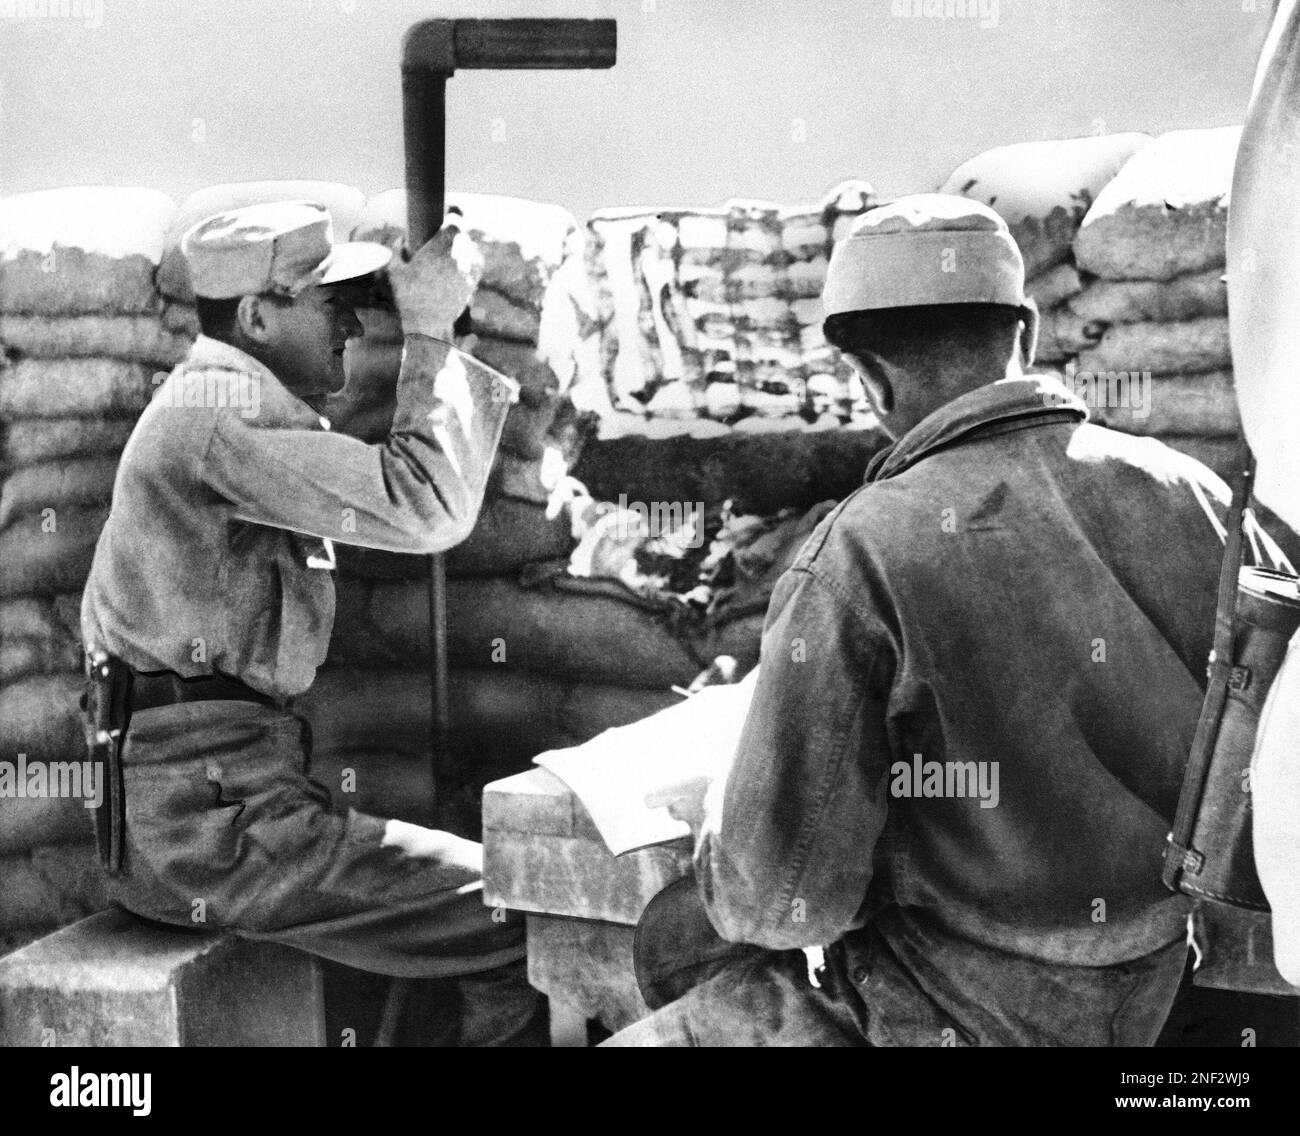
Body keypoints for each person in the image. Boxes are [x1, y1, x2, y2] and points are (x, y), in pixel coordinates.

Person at [606, 194, 1285, 1046]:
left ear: (870, 377)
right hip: (1157, 981)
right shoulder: (1199, 495)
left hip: (941, 1006)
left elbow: (778, 903)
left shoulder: (860, 552)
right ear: (1026, 336)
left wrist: (721, 818)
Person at [80, 200, 541, 1046]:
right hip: (210, 829)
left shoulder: (238, 406)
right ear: (255, 316)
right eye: (326, 299)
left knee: (457, 932)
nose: (356, 320)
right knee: (529, 916)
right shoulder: (223, 411)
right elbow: (424, 505)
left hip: (225, 806)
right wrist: (433, 329)